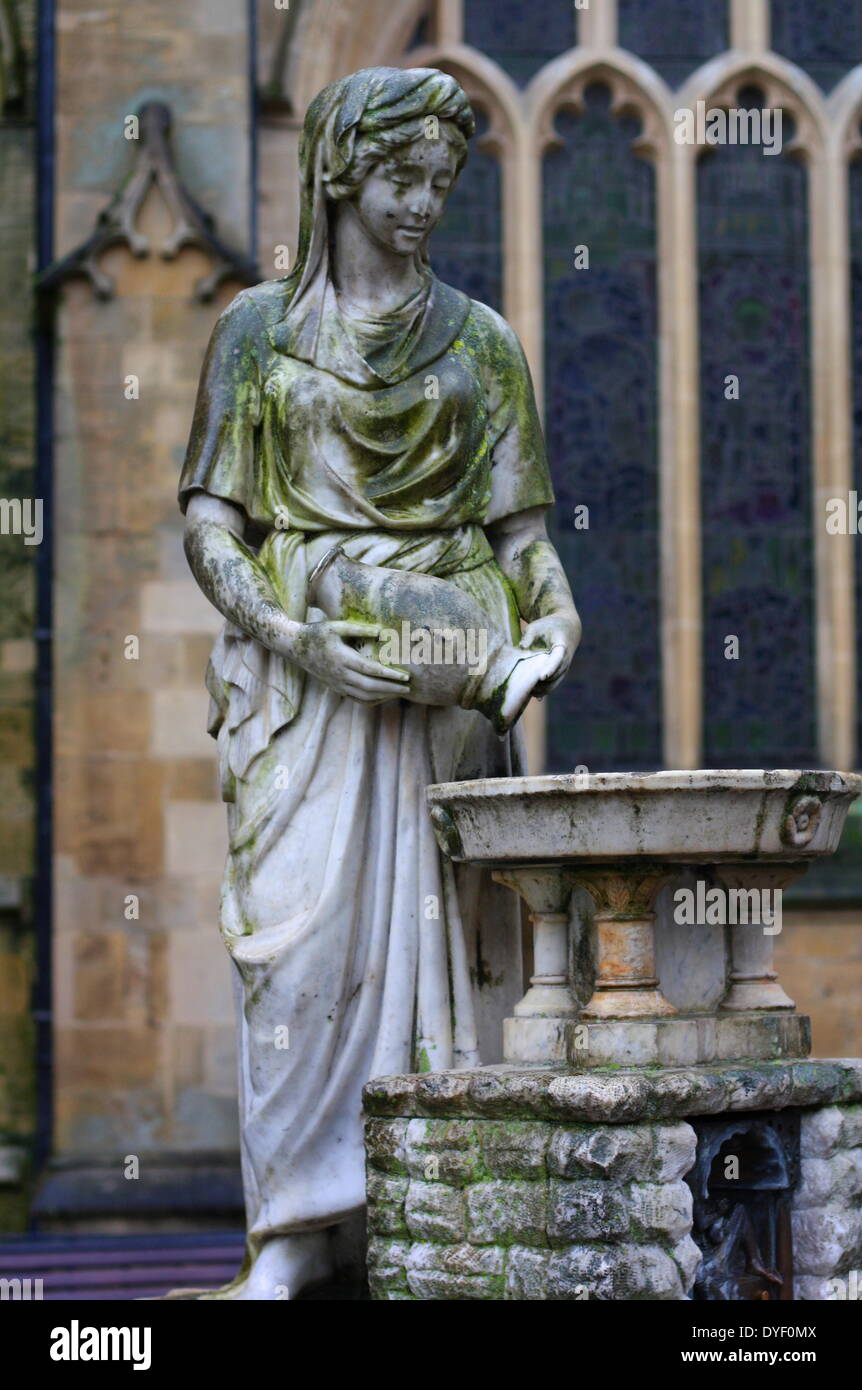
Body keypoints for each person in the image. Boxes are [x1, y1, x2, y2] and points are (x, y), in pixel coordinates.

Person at [178, 65, 581, 1299]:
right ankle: (296, 1234)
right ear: (342, 173)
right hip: (305, 691)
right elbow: (208, 526)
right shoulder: (255, 333)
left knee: (437, 957)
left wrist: (555, 616)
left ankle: (417, 1215)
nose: (423, 202)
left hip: (441, 685)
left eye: (442, 183)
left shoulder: (481, 341)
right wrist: (295, 637)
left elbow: (522, 543)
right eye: (403, 177)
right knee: (297, 957)